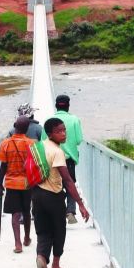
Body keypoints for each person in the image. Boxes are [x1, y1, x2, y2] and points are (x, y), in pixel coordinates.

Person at [32, 117, 90, 268]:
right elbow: (68, 181)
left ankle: (41, 256)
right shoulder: (57, 152)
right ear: (50, 133)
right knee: (58, 230)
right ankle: (55, 265)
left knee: (43, 229)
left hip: (36, 194)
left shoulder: (39, 146)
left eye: (64, 130)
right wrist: (80, 204)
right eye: (59, 131)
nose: (64, 134)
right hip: (53, 196)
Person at [0, 116, 34, 253]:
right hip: (27, 183)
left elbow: (3, 166)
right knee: (26, 210)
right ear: (27, 128)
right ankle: (27, 238)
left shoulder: (6, 143)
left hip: (11, 183)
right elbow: (34, 165)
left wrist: (0, 184)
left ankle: (17, 244)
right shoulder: (31, 144)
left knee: (15, 214)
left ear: (14, 126)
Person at [51, 94, 84, 223]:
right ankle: (70, 211)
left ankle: (57, 211)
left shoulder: (50, 119)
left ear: (56, 105)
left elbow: (44, 140)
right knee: (70, 184)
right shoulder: (75, 119)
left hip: (53, 159)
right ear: (68, 106)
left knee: (55, 185)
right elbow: (79, 140)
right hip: (68, 159)